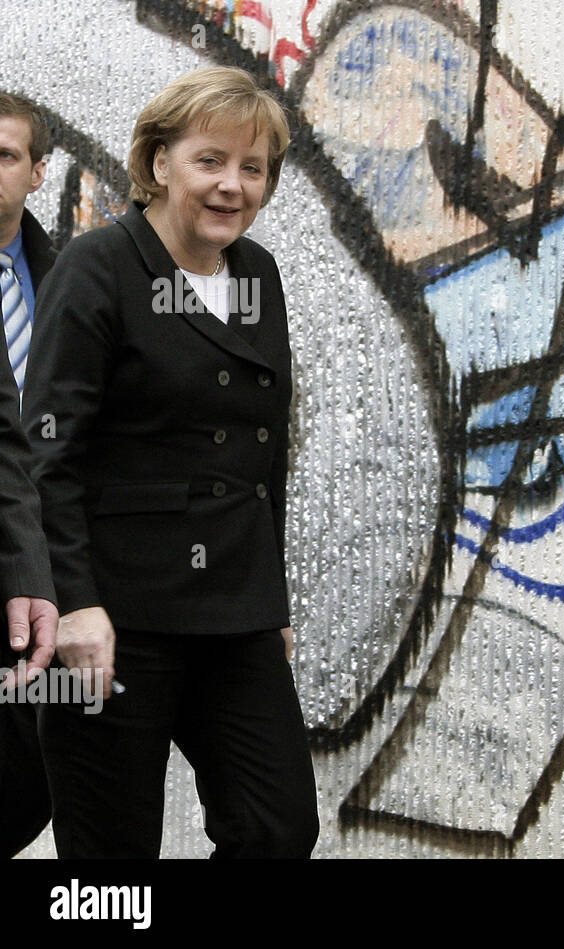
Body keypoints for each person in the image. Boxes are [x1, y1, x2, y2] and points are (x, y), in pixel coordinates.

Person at [24, 67, 318, 858]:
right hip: (116, 618)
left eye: (252, 168)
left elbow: (265, 451)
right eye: (210, 160)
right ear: (160, 163)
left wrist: (273, 598)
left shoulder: (258, 275)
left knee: (277, 826)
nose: (233, 185)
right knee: (111, 861)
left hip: (238, 614)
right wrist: (74, 603)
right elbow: (47, 451)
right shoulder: (99, 267)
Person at [0, 92, 60, 858]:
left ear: (40, 172)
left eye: (6, 154)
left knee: (27, 784)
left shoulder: (71, 279)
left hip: (39, 567)